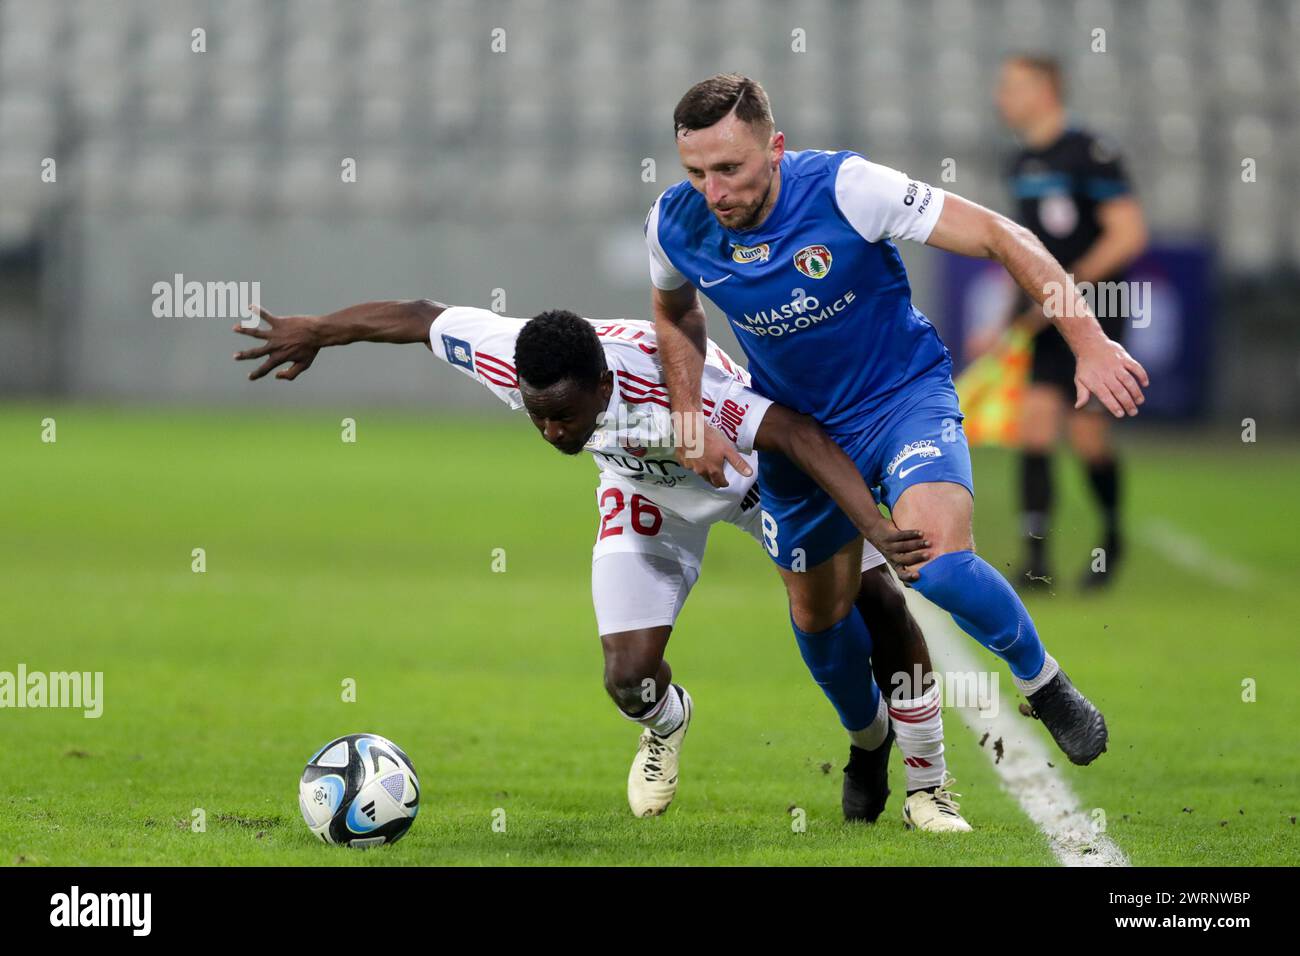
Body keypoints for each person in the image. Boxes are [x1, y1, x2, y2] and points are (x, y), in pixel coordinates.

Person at [232, 300, 970, 831]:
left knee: (876, 601)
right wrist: (321, 331)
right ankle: (671, 726)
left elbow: (795, 433)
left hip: (747, 479)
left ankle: (929, 788)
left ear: (605, 387)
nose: (553, 431)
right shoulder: (515, 356)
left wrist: (873, 524)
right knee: (627, 678)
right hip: (643, 489)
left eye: (567, 417)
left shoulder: (685, 387)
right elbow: (422, 319)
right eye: (538, 415)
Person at [646, 73, 1150, 767]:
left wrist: (1088, 341)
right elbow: (673, 312)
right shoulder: (675, 221)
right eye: (697, 171)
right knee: (819, 617)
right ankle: (868, 740)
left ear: (776, 149)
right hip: (802, 437)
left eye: (730, 168)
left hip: (901, 399)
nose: (715, 191)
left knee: (934, 564)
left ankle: (1045, 680)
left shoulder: (848, 189)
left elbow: (1001, 234)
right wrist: (685, 414)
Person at [970, 54, 1149, 590]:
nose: (1003, 96)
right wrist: (1001, 319)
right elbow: (1020, 250)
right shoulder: (1021, 162)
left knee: (1089, 435)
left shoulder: (1091, 154)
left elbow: (1127, 234)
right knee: (1035, 425)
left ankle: (1112, 538)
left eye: (1014, 85)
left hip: (1097, 313)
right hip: (1044, 320)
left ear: (1047, 90)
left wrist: (1065, 290)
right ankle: (1035, 558)